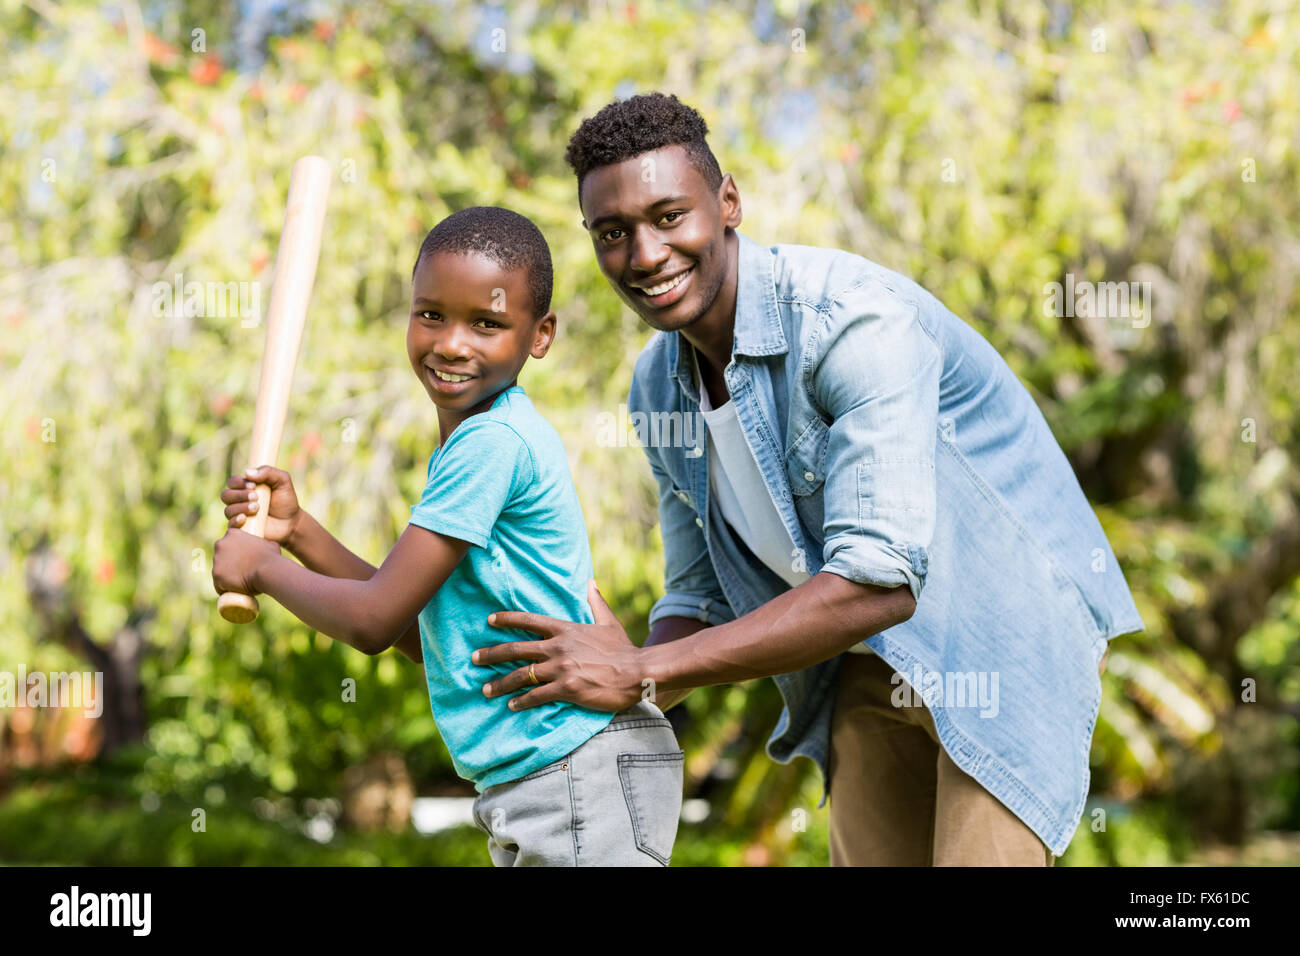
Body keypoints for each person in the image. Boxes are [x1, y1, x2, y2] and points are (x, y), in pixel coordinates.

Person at [472, 93, 1146, 865]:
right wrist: (610, 696)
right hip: (867, 662)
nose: (646, 254)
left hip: (1000, 633)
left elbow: (878, 580)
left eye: (668, 216)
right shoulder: (659, 388)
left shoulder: (851, 321)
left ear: (727, 202)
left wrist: (639, 670)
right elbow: (697, 596)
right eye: (613, 233)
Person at [212, 206, 683, 867]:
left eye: (486, 323)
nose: (452, 343)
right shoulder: (479, 441)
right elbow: (415, 630)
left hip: (576, 767)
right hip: (552, 774)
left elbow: (372, 622)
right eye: (432, 314)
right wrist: (297, 533)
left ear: (540, 335)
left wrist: (260, 568)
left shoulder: (489, 445)